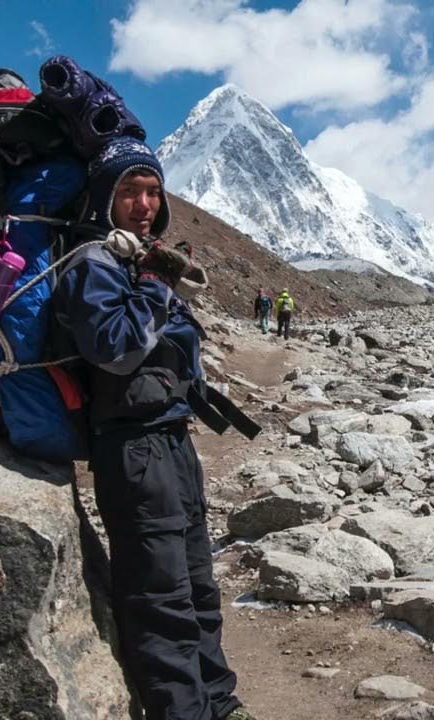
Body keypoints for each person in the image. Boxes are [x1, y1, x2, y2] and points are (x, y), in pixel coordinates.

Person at [53, 137, 254, 720]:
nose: (143, 204)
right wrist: (158, 285)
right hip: (133, 448)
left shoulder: (134, 258)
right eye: (129, 192)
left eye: (152, 192)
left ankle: (220, 703)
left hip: (171, 442)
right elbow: (114, 350)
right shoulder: (93, 262)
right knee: (160, 598)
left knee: (197, 587)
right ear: (104, 199)